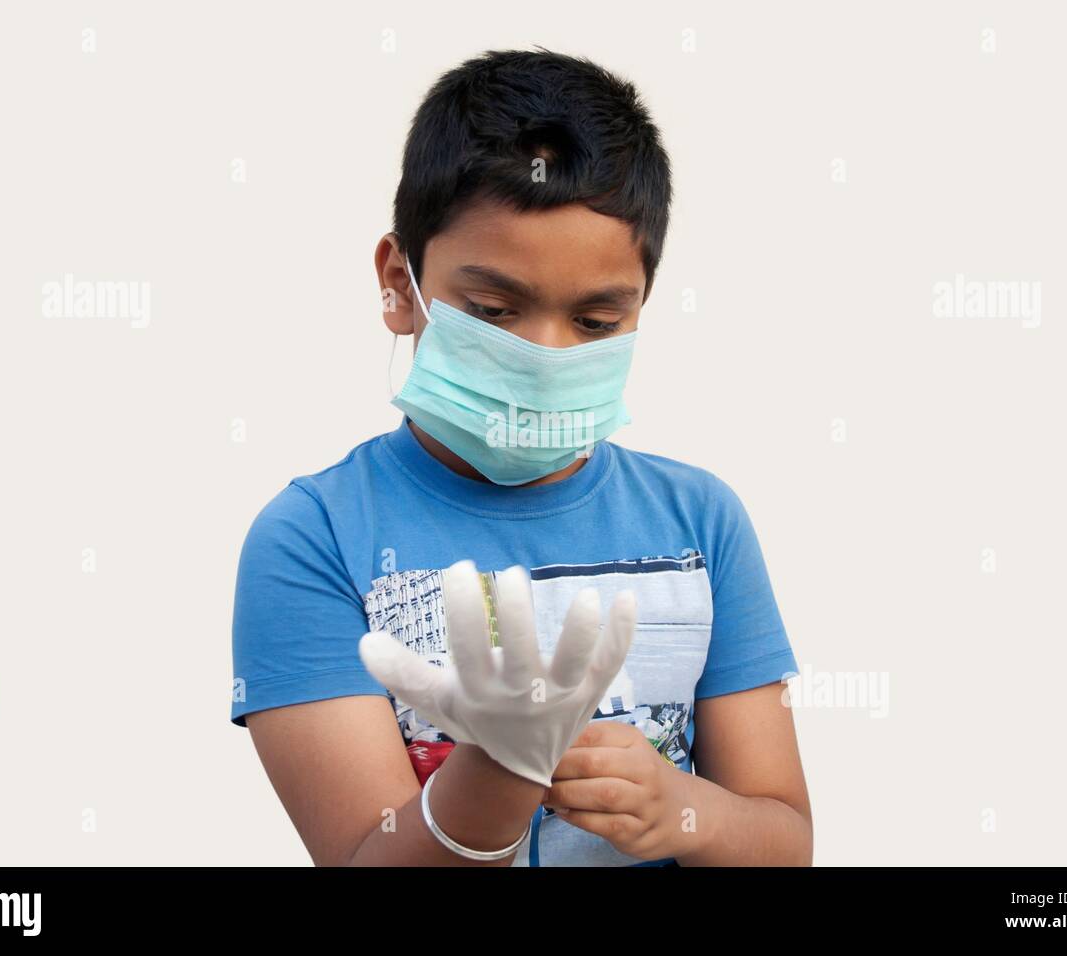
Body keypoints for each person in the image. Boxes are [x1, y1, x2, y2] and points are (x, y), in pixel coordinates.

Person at [230, 48, 812, 867]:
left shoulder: (702, 521)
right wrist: (498, 772)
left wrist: (690, 812)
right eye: (495, 309)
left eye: (597, 322)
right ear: (401, 283)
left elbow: (785, 839)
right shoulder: (313, 536)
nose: (545, 354)